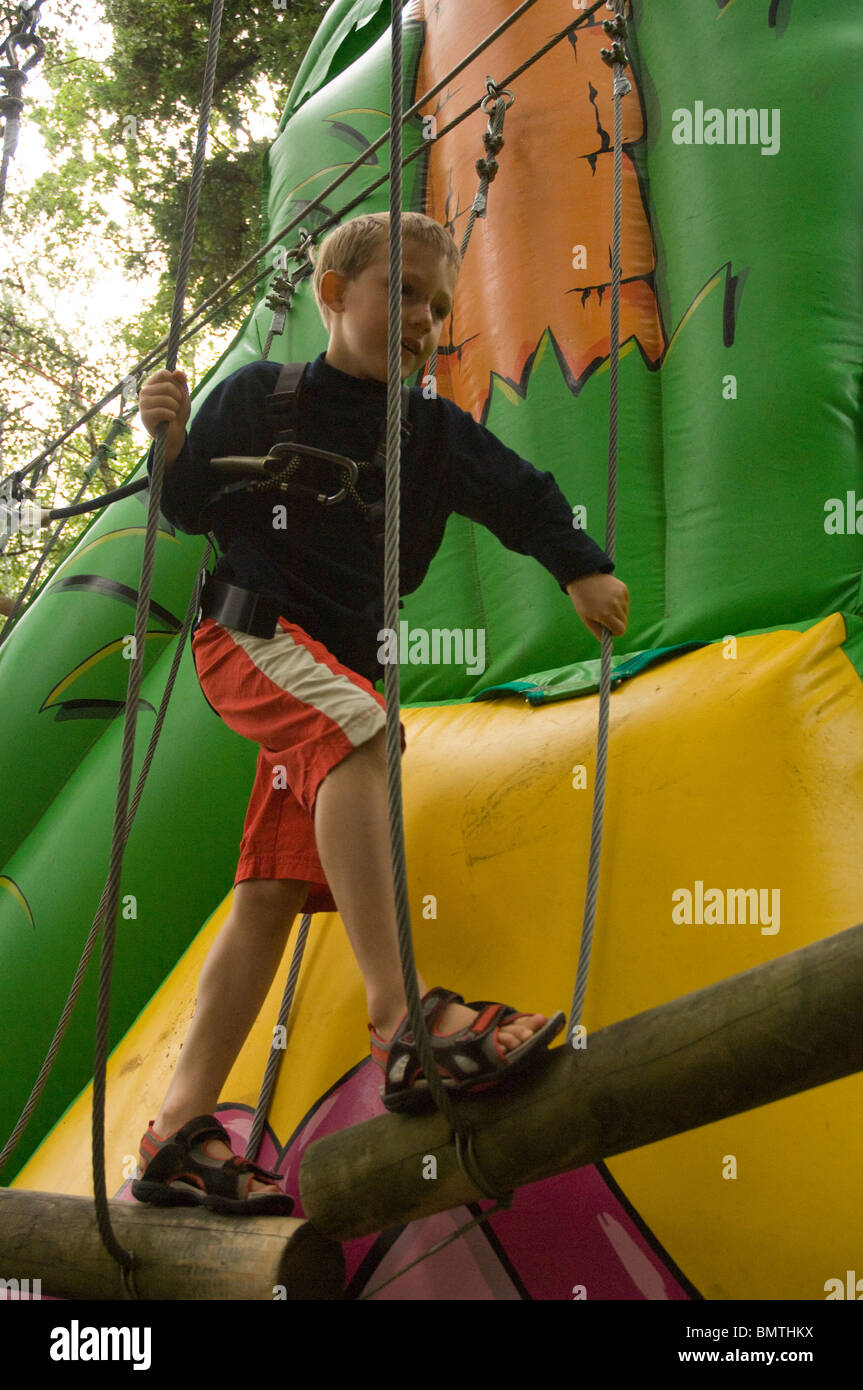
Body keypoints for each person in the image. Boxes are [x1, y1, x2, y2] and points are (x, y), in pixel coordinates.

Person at [130, 211, 630, 1214]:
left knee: (271, 887)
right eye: (399, 292)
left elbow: (524, 495)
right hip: (249, 637)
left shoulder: (431, 433)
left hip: (328, 669)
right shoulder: (256, 400)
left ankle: (177, 1130)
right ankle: (402, 1021)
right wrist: (170, 438)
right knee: (360, 728)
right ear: (332, 293)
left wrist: (581, 567)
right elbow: (186, 506)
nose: (421, 318)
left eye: (438, 306)